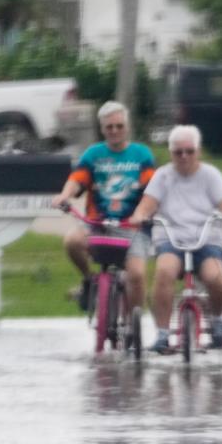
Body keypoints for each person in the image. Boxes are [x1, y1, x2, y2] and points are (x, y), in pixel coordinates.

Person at [128, 125, 222, 351]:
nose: (184, 156)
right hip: (172, 239)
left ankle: (217, 320)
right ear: (171, 153)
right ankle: (162, 332)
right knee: (164, 271)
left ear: (197, 151)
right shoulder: (163, 176)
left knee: (216, 277)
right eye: (178, 152)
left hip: (206, 240)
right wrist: (139, 215)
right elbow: (147, 205)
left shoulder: (210, 175)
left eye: (189, 151)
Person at [51, 101, 155, 313]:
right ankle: (90, 281)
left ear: (127, 127)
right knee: (72, 241)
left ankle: (133, 323)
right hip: (98, 224)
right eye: (109, 127)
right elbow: (77, 179)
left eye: (119, 126)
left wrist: (142, 213)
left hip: (131, 226)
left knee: (136, 274)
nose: (114, 131)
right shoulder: (93, 154)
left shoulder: (142, 154)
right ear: (102, 129)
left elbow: (152, 189)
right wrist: (64, 195)